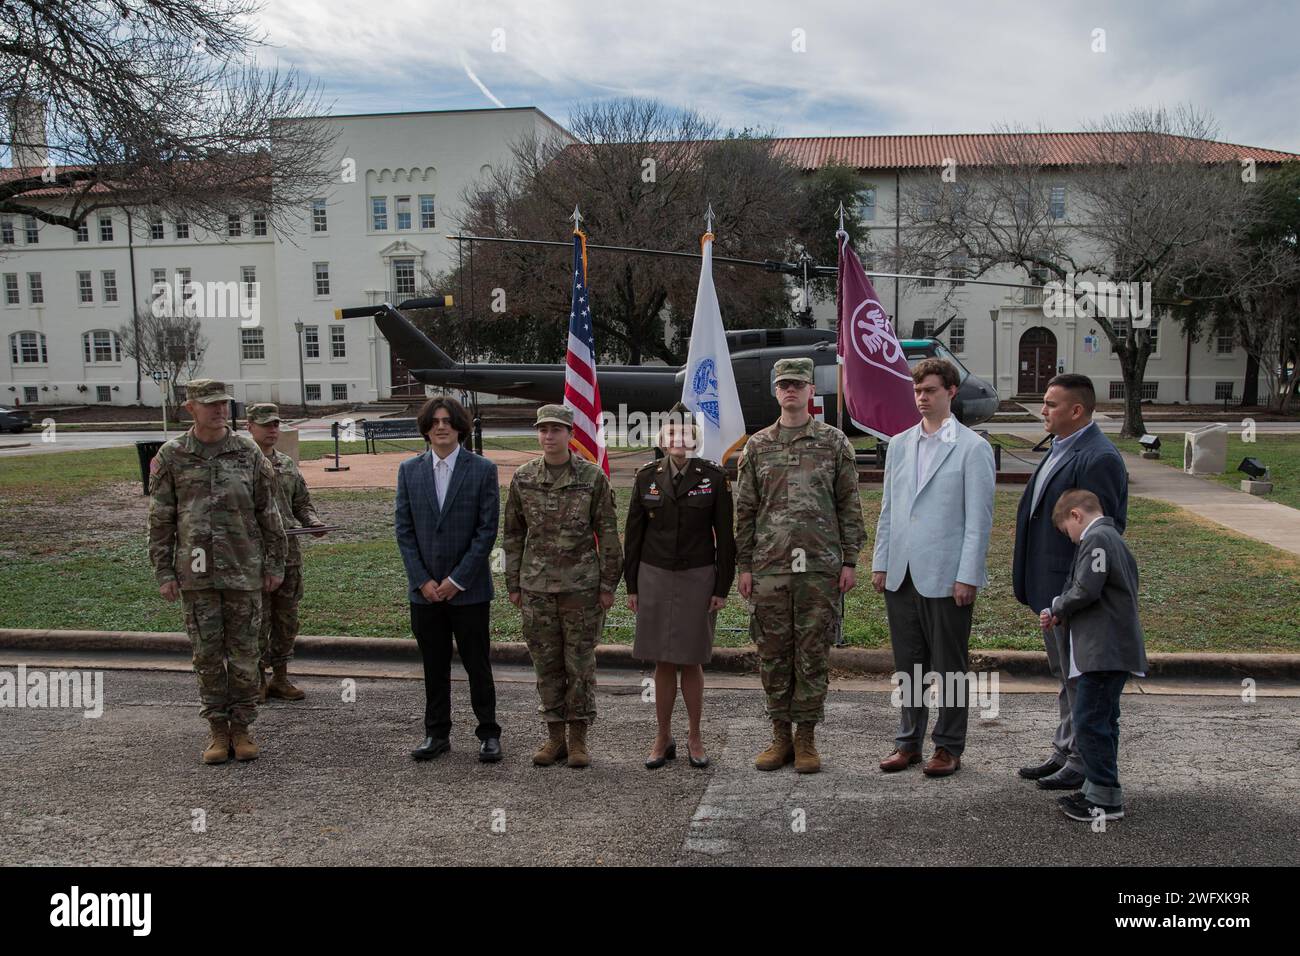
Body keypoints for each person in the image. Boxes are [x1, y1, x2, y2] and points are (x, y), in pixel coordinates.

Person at [734, 357, 864, 774]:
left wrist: (849, 560)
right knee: (772, 653)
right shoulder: (757, 446)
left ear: (811, 391)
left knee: (812, 652)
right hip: (771, 566)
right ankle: (779, 737)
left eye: (798, 384)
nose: (791, 391)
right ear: (775, 391)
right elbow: (746, 510)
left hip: (820, 566)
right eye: (784, 384)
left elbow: (849, 505)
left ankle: (806, 738)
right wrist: (744, 566)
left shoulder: (834, 442)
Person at [147, 379, 286, 764]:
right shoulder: (173, 455)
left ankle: (242, 729)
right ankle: (217, 732)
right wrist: (164, 572)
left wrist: (275, 563)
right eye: (209, 404)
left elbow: (268, 513)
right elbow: (161, 519)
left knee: (245, 655)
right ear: (190, 407)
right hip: (196, 574)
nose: (219, 410)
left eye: (223, 404)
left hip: (244, 570)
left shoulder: (248, 451)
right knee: (207, 655)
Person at [873, 359, 995, 777]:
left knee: (950, 667)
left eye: (930, 390)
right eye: (917, 391)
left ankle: (948, 746)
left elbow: (979, 520)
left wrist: (967, 574)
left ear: (951, 392)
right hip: (901, 572)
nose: (922, 397)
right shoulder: (900, 444)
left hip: (946, 576)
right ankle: (907, 743)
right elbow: (890, 510)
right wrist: (881, 561)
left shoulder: (972, 448)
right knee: (908, 666)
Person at [1012, 373, 1129, 791]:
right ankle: (1066, 750)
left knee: (1080, 680)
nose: (1042, 411)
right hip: (1052, 591)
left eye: (1051, 404)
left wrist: (1073, 595)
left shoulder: (1098, 458)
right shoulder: (1061, 447)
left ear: (1076, 410)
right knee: (1065, 677)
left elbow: (1103, 533)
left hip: (1074, 597)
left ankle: (1083, 762)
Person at [502, 404, 622, 769]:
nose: (548, 436)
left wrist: (607, 584)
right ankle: (554, 735)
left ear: (570, 434)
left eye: (556, 429)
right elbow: (512, 533)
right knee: (546, 663)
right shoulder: (523, 477)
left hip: (581, 588)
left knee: (580, 664)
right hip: (536, 587)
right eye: (543, 430)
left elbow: (608, 533)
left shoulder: (591, 477)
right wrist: (513, 583)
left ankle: (578, 737)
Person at [624, 402, 735, 769]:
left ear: (695, 439)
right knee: (663, 660)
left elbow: (726, 538)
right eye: (671, 432)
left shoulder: (714, 478)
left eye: (686, 433)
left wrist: (722, 586)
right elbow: (633, 536)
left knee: (691, 659)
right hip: (653, 575)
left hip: (697, 577)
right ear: (662, 438)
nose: (678, 439)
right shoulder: (646, 477)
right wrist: (632, 586)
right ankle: (662, 736)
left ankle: (694, 735)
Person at [394, 396, 502, 762]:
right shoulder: (409, 470)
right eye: (435, 421)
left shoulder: (483, 469)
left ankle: (488, 733)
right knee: (433, 665)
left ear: (460, 427)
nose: (441, 426)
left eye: (448, 421)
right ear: (425, 428)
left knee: (477, 664)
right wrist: (422, 579)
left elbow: (487, 531)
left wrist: (457, 580)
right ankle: (436, 734)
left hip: (468, 591)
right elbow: (404, 531)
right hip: (425, 593)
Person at [1042, 489, 1147, 822]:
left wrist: (1058, 605)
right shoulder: (1112, 538)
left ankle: (1104, 798)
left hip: (1103, 651)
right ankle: (1098, 788)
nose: (1070, 539)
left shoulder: (1097, 539)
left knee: (1089, 721)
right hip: (1111, 649)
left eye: (1066, 531)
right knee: (1102, 721)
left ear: (1076, 515)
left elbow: (1088, 587)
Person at [245, 403, 327, 703]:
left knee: (286, 618)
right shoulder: (242, 465)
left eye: (276, 424)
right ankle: (257, 678)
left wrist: (313, 523)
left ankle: (280, 677)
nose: (272, 430)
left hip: (288, 555)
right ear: (249, 427)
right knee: (257, 619)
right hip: (254, 556)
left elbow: (302, 503)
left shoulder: (287, 464)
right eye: (266, 425)